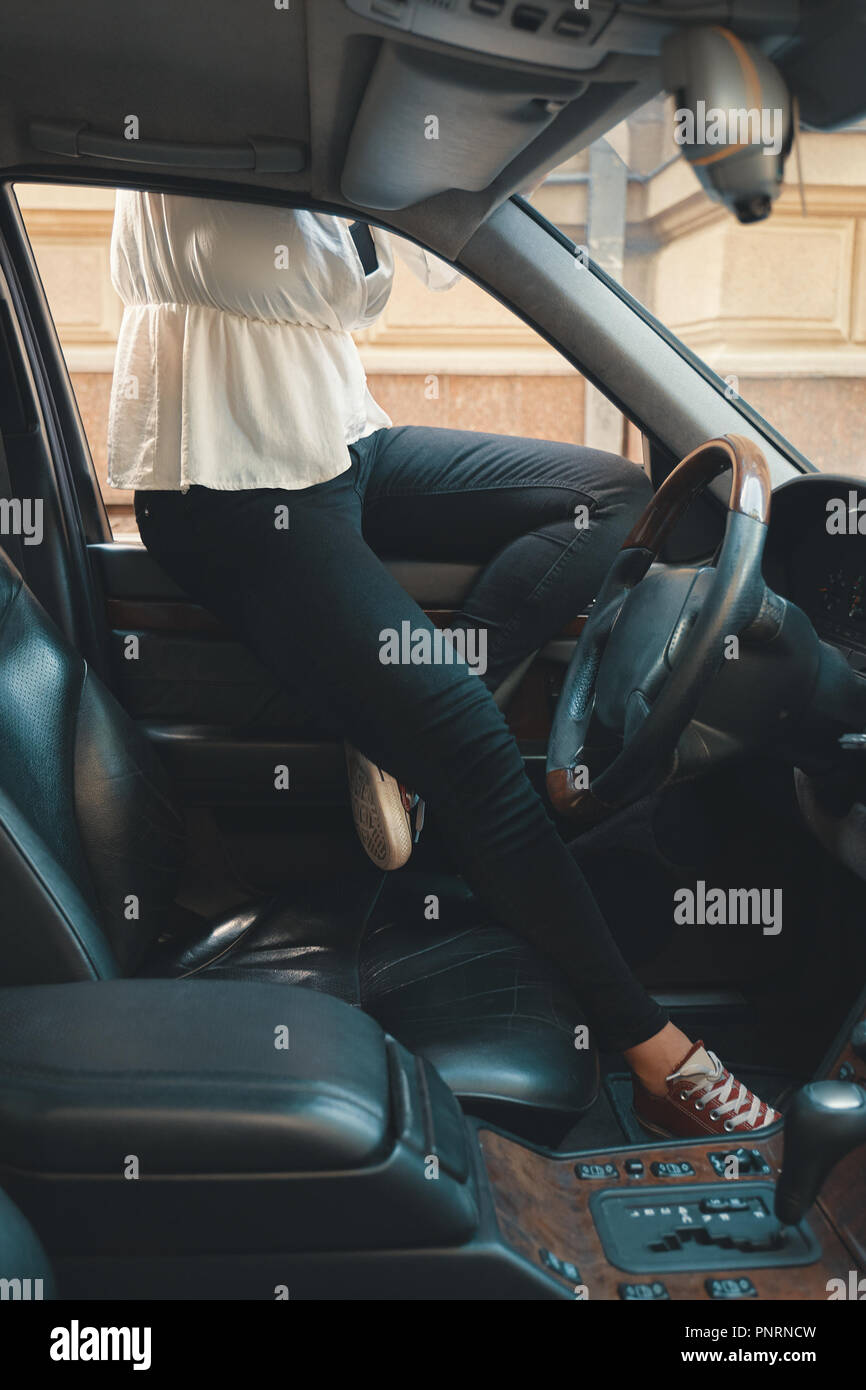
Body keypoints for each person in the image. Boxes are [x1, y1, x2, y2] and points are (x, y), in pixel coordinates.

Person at [108, 189, 779, 1138]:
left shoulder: (324, 177)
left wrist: (385, 191)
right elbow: (271, 273)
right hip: (230, 477)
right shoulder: (204, 147)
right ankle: (653, 1047)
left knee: (601, 493)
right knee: (470, 747)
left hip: (337, 439)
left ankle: (400, 738)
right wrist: (366, 187)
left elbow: (355, 291)